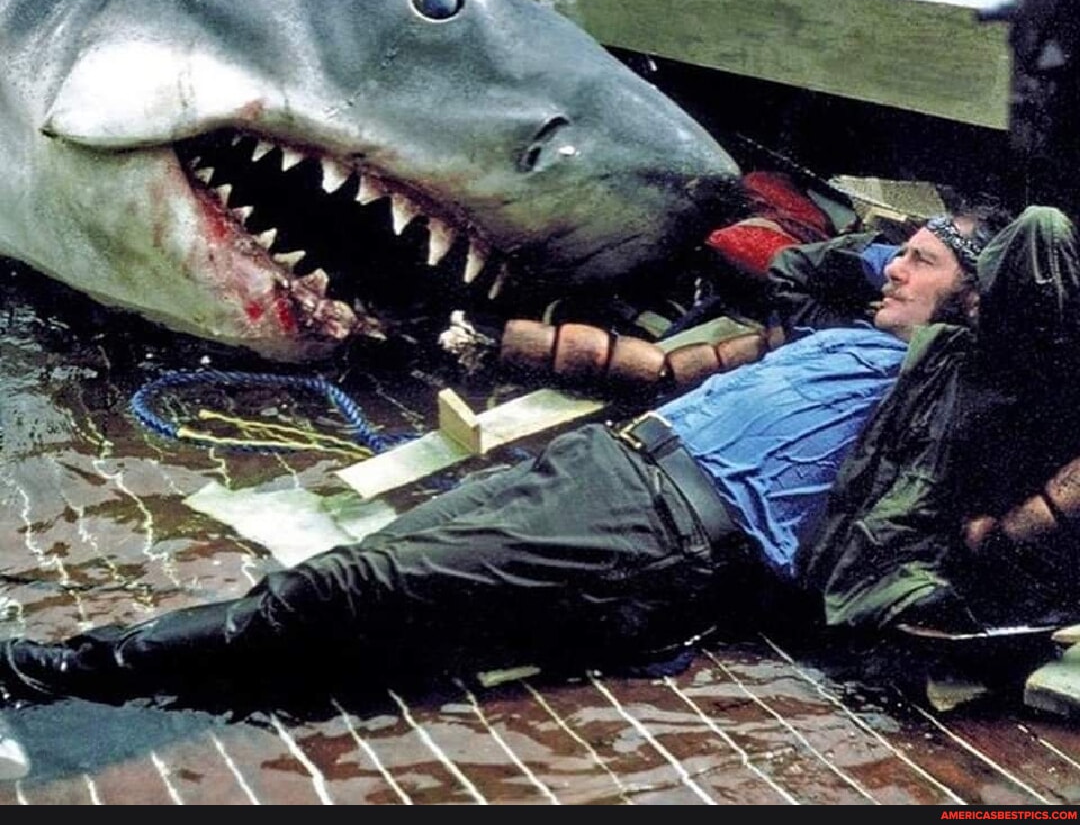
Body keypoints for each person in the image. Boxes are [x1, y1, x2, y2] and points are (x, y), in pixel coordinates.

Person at [0, 203, 1071, 712]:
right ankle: (161, 668)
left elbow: (1041, 253)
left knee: (353, 583)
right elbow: (781, 285)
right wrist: (486, 338)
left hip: (666, 530)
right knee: (354, 594)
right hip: (610, 463)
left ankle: (58, 668)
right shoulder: (840, 332)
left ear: (977, 300)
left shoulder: (962, 385)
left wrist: (974, 273)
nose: (892, 267)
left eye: (919, 263)